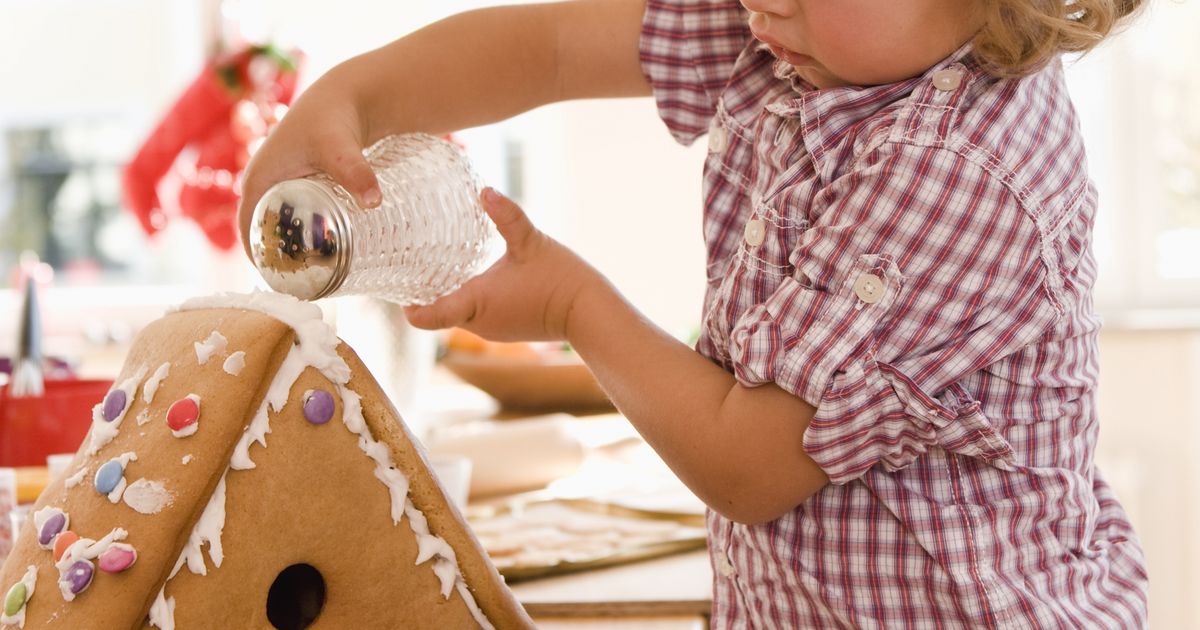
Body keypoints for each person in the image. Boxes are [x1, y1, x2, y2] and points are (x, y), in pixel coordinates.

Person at [238, 0, 1149, 626]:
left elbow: (746, 464)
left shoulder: (958, 168)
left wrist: (570, 303)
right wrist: (347, 99)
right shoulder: (803, 28)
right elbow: (551, 47)